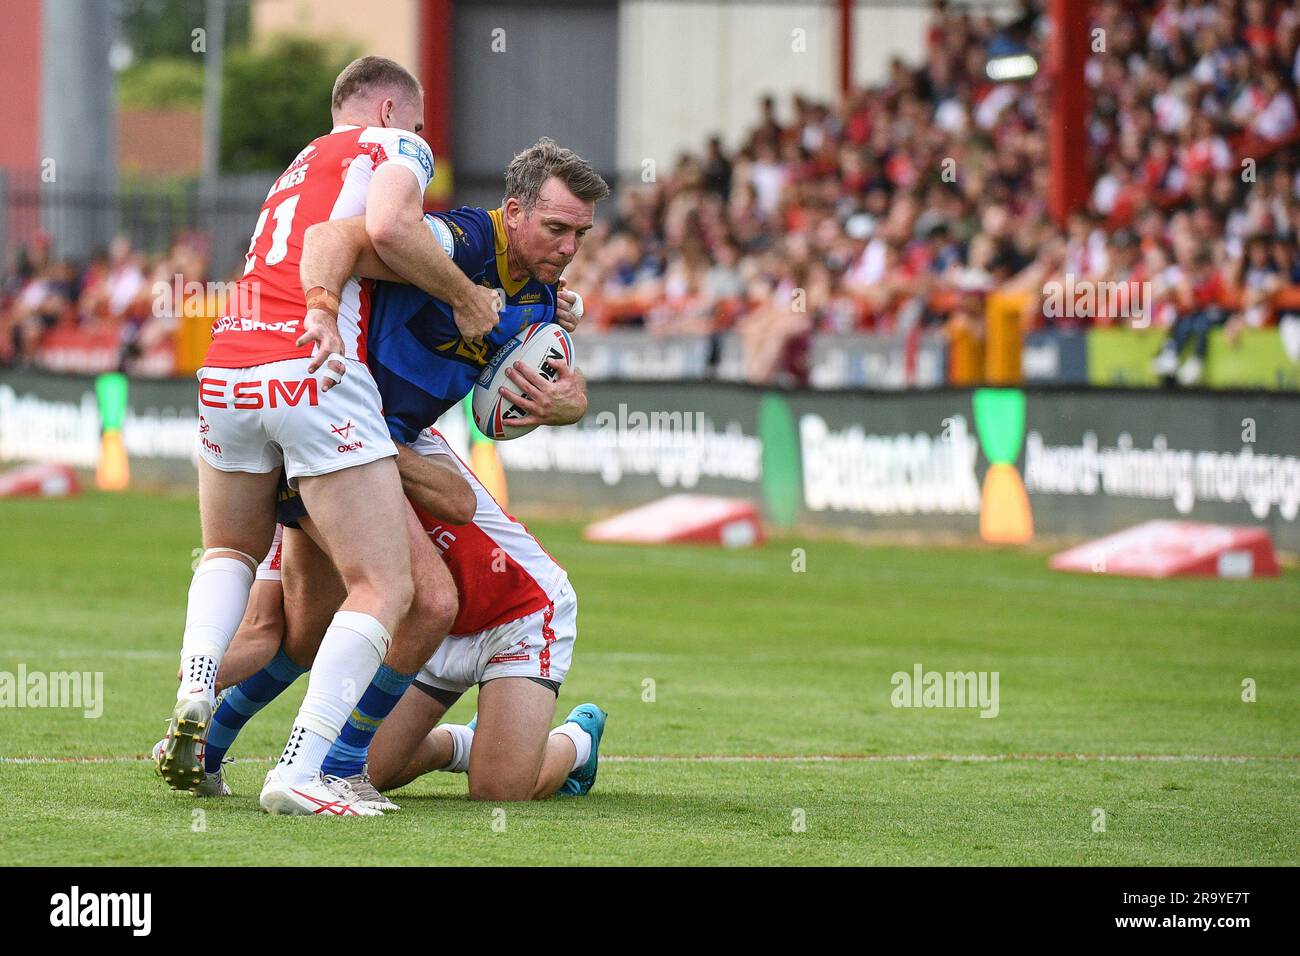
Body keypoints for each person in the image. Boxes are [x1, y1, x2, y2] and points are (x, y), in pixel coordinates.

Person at [160, 55, 501, 818]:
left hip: (228, 360)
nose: (422, 144)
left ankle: (195, 689)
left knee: (228, 553)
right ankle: (306, 769)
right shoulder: (394, 148)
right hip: (310, 364)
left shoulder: (299, 163)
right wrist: (469, 296)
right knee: (389, 588)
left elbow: (354, 243)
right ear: (387, 112)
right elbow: (387, 225)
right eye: (417, 126)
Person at [169, 427, 607, 808]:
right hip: (427, 635)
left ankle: (577, 741)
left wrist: (380, 448)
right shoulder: (293, 502)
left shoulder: (398, 436)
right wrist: (199, 680)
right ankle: (466, 742)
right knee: (365, 771)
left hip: (518, 615)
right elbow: (264, 627)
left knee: (501, 791)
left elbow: (460, 501)